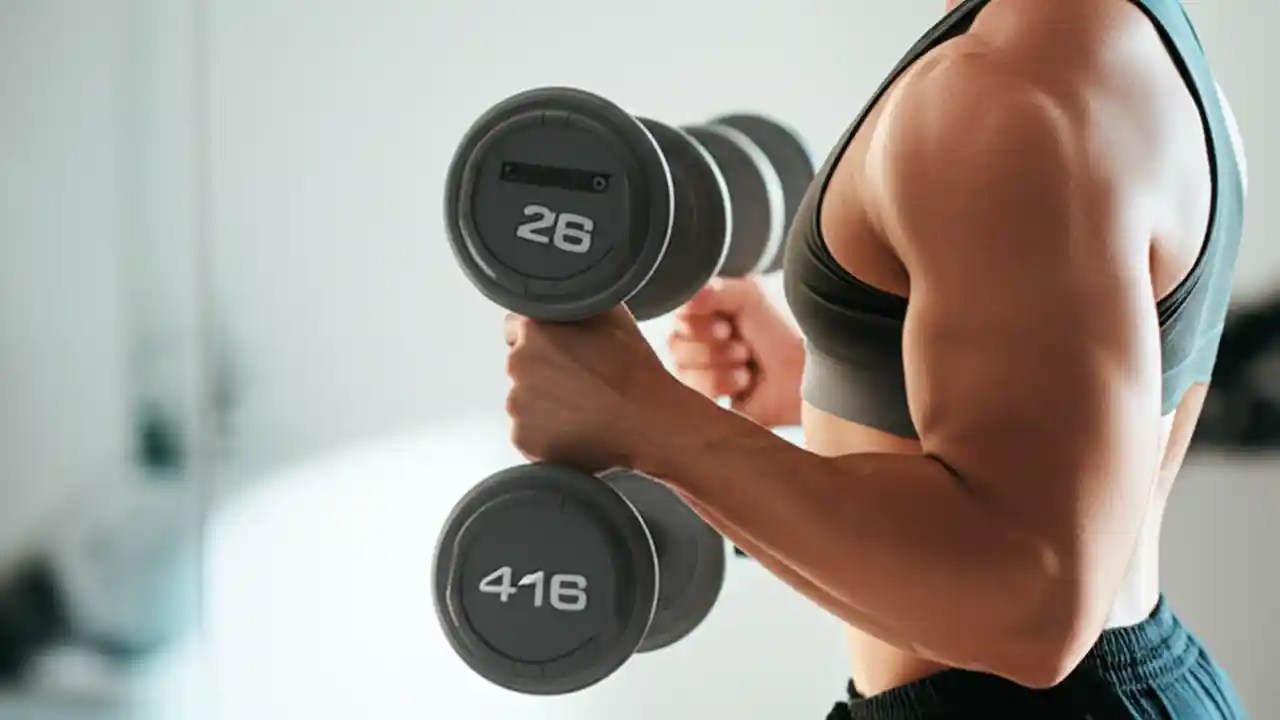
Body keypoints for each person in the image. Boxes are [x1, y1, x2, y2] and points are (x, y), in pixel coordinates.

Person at [500, 0, 1250, 716]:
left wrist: (647, 418)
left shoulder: (1014, 84)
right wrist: (830, 389)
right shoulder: (1112, 41)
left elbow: (1034, 606)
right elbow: (1075, 438)